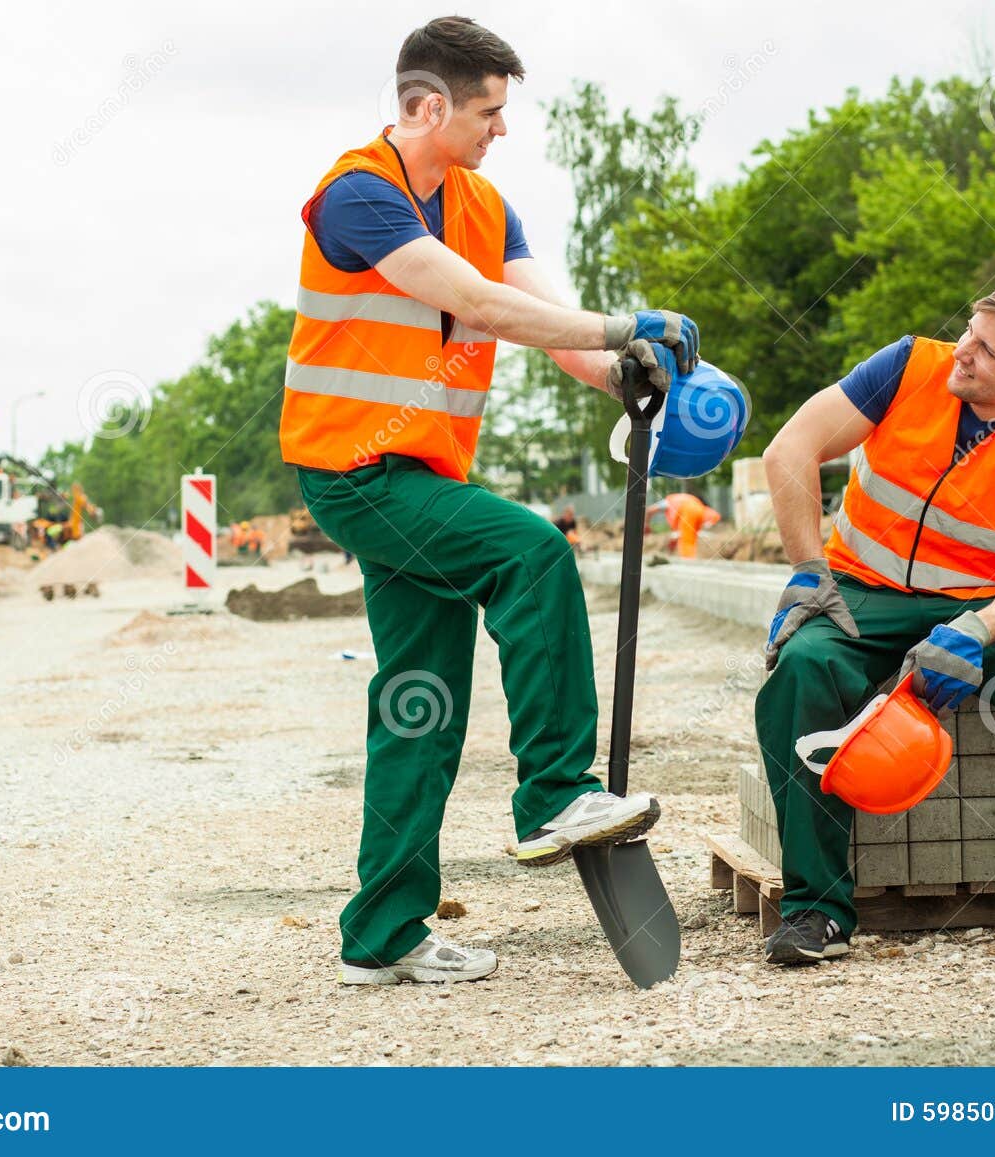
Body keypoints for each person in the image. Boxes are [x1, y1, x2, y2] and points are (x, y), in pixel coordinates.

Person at [280, 16, 701, 985]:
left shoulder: (482, 204)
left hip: (421, 478)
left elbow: (548, 324)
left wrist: (621, 369)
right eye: (486, 111)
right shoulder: (358, 198)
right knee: (531, 551)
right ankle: (557, 789)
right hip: (356, 473)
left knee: (418, 707)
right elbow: (478, 306)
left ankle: (382, 930)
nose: (499, 129)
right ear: (427, 104)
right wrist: (623, 317)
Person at [754, 282, 995, 965]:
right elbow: (789, 449)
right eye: (970, 331)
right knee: (802, 669)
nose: (965, 352)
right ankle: (814, 909)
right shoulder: (909, 366)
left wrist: (975, 631)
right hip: (859, 591)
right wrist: (807, 570)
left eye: (988, 349)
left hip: (977, 603)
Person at [647, 492, 721, 558]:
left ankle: (688, 561)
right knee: (690, 538)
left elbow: (650, 510)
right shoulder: (679, 506)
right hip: (699, 509)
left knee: (687, 541)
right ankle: (690, 558)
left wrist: (646, 525)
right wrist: (673, 544)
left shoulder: (668, 502)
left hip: (689, 510)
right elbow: (679, 533)